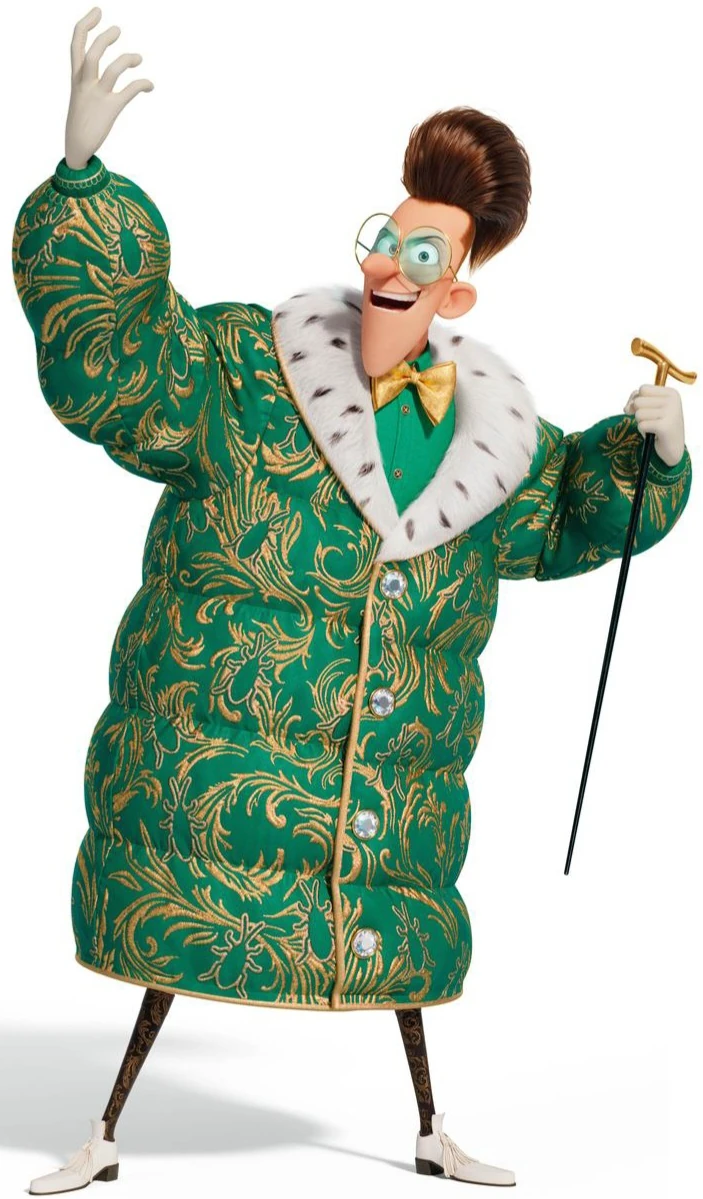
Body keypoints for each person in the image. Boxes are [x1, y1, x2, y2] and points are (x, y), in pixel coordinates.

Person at [12, 7, 691, 1194]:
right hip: (198, 799)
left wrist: (656, 452)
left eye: (418, 256)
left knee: (395, 969)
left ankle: (428, 1126)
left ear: (455, 293)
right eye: (383, 238)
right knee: (168, 956)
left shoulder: (497, 446)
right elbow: (121, 364)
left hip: (390, 816)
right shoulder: (243, 371)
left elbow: (570, 516)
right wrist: (82, 182)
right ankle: (107, 1127)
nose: (384, 265)